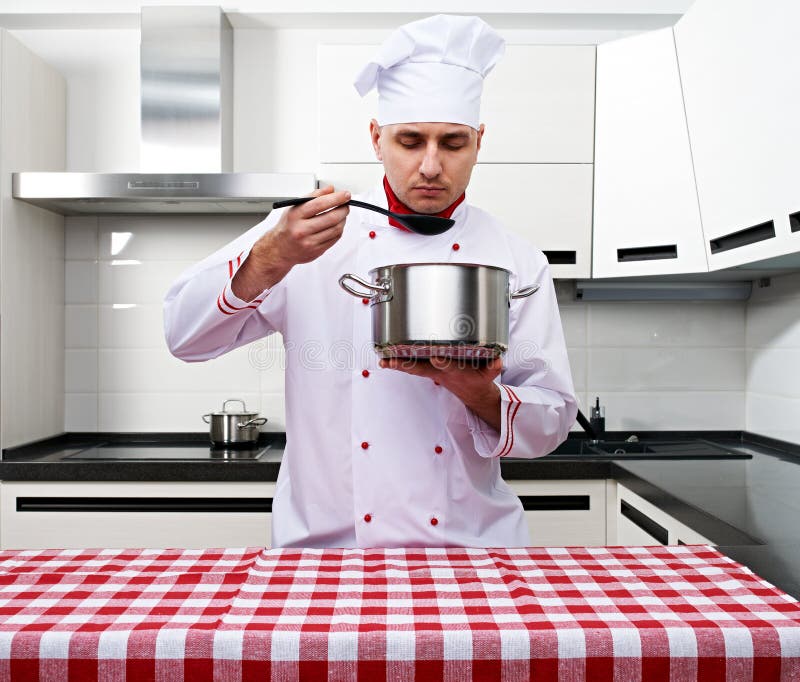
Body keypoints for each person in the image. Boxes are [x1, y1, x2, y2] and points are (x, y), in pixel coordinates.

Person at [164, 14, 577, 549]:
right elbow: (183, 336)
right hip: (325, 552)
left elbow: (551, 424)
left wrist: (472, 388)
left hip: (470, 551)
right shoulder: (303, 235)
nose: (431, 166)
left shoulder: (515, 260)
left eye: (452, 143)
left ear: (479, 141)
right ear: (376, 139)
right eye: (410, 141)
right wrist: (270, 258)